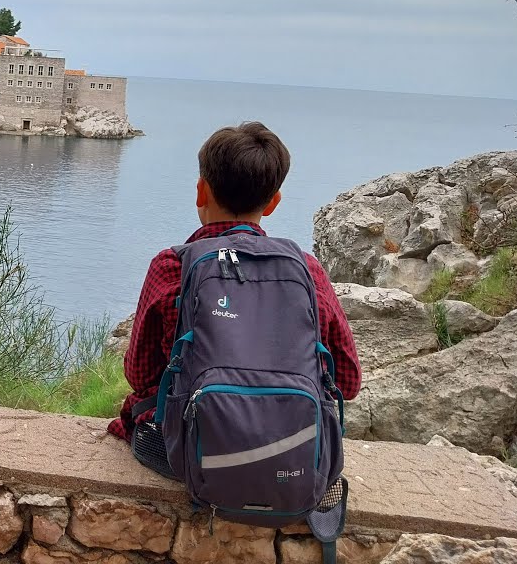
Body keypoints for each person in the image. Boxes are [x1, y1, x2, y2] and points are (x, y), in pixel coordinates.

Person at [108, 121, 361, 443]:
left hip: (188, 444)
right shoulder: (307, 270)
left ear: (201, 191)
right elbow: (348, 383)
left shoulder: (171, 266)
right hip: (291, 448)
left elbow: (139, 375)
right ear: (273, 202)